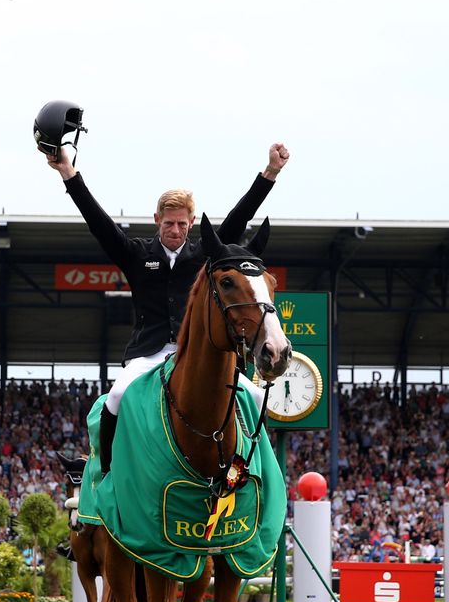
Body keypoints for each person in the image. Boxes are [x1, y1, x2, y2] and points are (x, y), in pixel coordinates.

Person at [46, 142, 290, 478]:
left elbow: (238, 218)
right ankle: (106, 472)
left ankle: (254, 476)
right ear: (157, 220)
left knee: (257, 398)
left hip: (197, 353)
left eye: (181, 224)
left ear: (191, 222)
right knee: (116, 397)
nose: (175, 231)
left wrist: (271, 173)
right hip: (150, 353)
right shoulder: (135, 253)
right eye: (168, 224)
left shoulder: (206, 254)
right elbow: (98, 222)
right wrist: (67, 173)